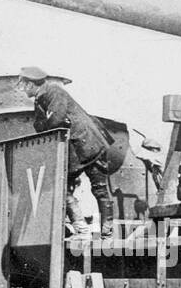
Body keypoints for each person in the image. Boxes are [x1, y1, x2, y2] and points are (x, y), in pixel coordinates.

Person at [20, 67, 115, 238]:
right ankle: (82, 230)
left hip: (89, 144)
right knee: (62, 188)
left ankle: (107, 233)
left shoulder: (54, 92)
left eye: (23, 85)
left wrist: (49, 122)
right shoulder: (40, 99)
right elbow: (39, 125)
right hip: (77, 148)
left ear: (30, 84)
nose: (22, 89)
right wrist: (48, 122)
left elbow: (55, 121)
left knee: (99, 189)